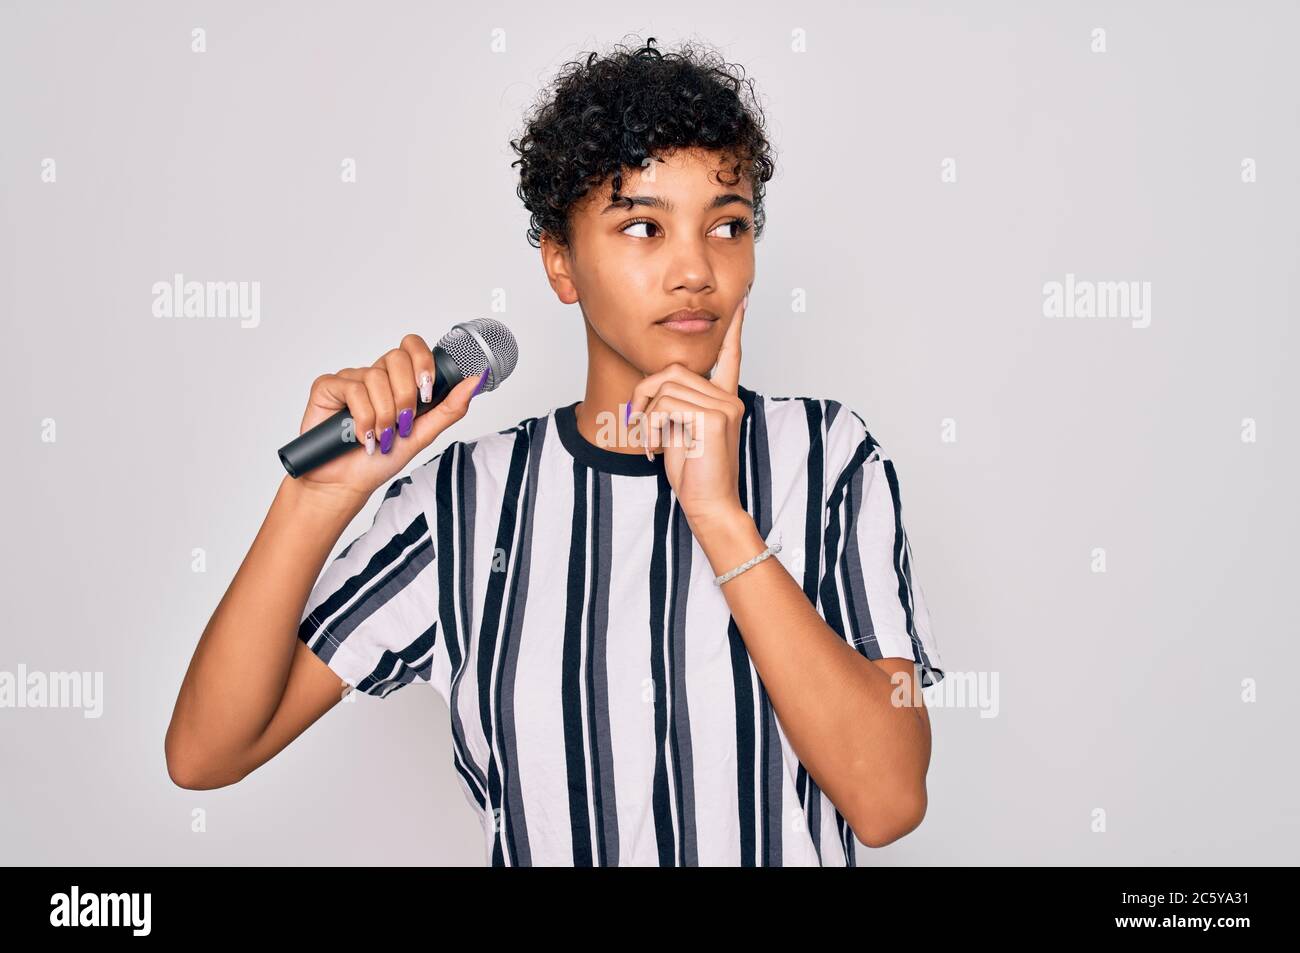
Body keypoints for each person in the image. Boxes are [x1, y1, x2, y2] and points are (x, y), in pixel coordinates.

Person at [165, 36, 946, 866]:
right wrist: (315, 501)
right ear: (561, 263)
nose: (694, 270)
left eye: (728, 226)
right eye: (643, 226)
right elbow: (207, 753)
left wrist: (718, 515)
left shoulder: (828, 457)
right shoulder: (463, 502)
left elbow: (888, 799)